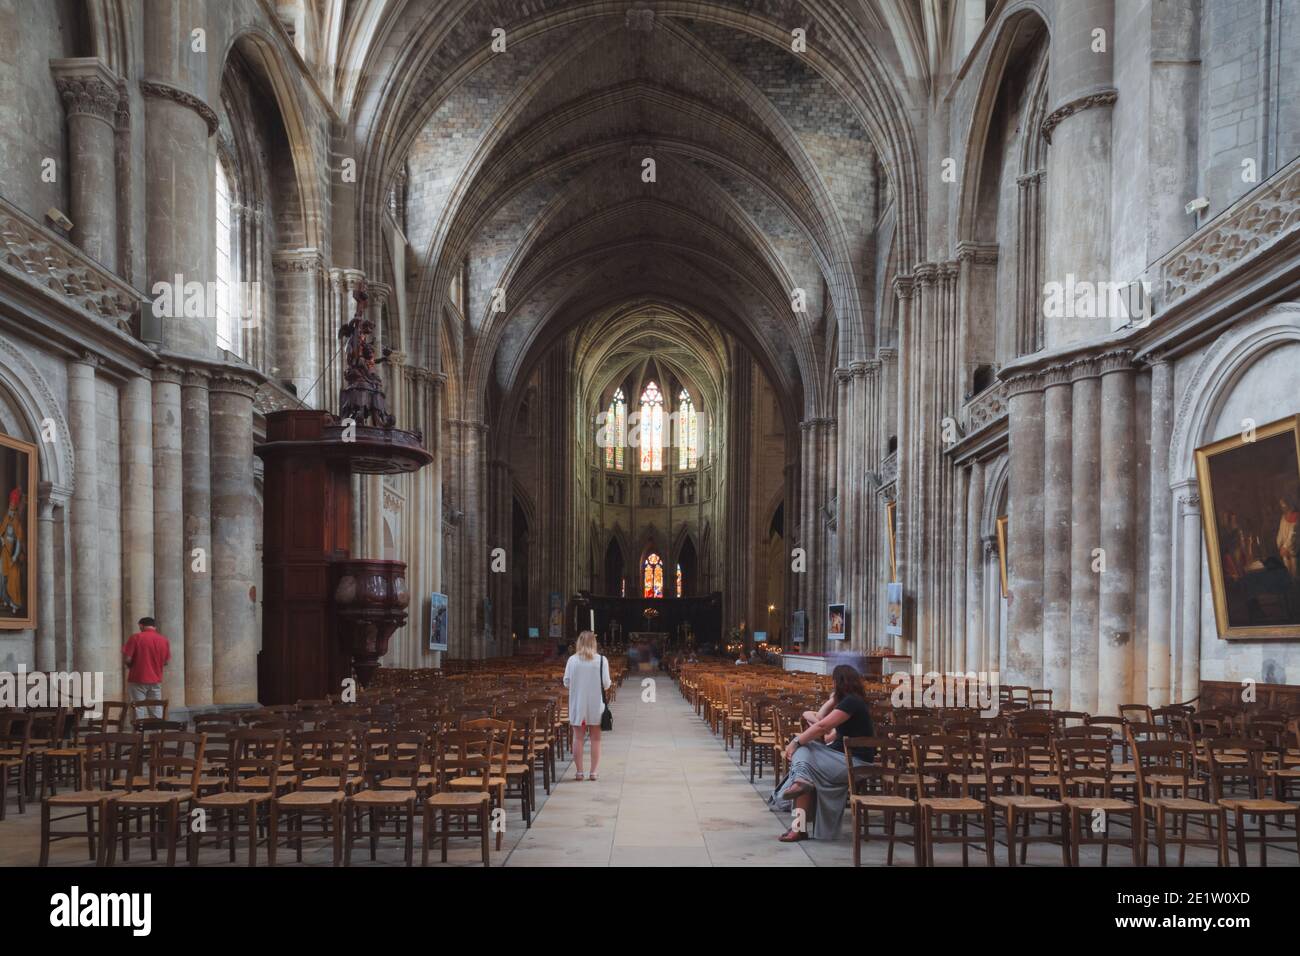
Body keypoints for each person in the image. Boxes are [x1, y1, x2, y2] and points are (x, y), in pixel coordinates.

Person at [771, 664, 875, 842]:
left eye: (834, 682)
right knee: (805, 764)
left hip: (855, 762)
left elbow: (822, 726)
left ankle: (798, 824)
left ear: (838, 682)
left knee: (802, 747)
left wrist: (795, 742)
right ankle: (799, 826)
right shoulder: (849, 701)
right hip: (841, 757)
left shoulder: (852, 702)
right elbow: (823, 726)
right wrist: (831, 701)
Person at [563, 630, 611, 781]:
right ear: (594, 643)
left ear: (579, 643)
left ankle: (579, 772)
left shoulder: (572, 660)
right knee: (596, 739)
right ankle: (594, 772)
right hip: (595, 705)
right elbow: (606, 684)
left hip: (578, 704)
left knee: (578, 738)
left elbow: (566, 682)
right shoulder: (601, 660)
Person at [123, 617, 171, 720]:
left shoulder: (136, 638)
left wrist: (129, 665)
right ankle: (158, 733)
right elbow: (166, 662)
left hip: (137, 678)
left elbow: (128, 659)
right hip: (156, 679)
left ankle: (138, 734)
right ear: (154, 626)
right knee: (156, 707)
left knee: (137, 708)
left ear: (141, 625)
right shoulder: (164, 640)